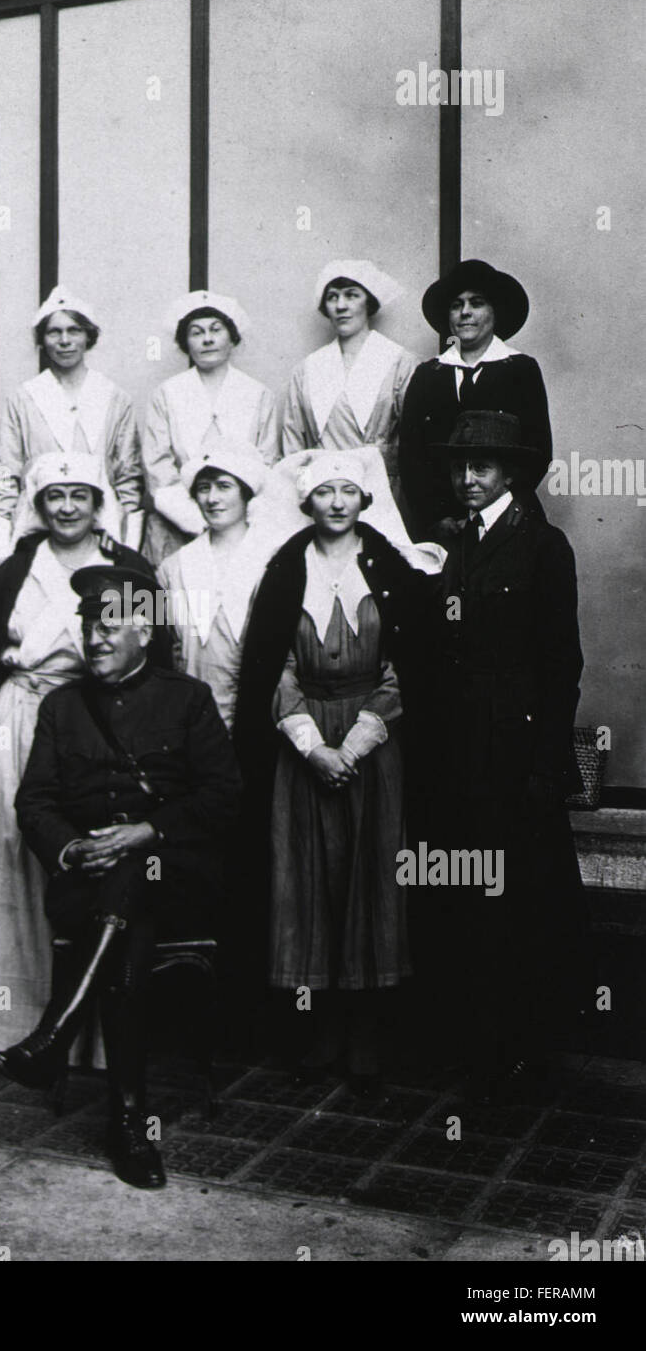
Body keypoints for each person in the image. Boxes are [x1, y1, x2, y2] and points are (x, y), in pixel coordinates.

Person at [0, 565, 241, 1189]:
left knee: (134, 871)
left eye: (110, 625)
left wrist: (146, 832)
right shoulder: (61, 707)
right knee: (125, 914)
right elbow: (35, 805)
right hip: (89, 879)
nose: (95, 638)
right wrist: (73, 849)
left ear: (147, 633)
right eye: (88, 626)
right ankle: (129, 1120)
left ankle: (56, 1033)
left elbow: (224, 796)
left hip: (174, 870)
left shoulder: (187, 700)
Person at [234, 447, 442, 1094]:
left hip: (374, 749)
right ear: (307, 500)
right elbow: (272, 669)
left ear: (363, 497)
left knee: (370, 880)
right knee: (307, 882)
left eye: (346, 490)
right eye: (323, 491)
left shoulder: (388, 565)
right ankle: (316, 1031)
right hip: (302, 754)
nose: (334, 502)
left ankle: (365, 1035)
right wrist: (311, 747)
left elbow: (406, 667)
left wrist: (352, 746)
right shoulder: (284, 567)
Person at [0, 453, 164, 1053]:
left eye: (79, 495)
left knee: (91, 859)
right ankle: (15, 1023)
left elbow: (154, 656)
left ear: (99, 502)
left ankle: (87, 1031)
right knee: (9, 859)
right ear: (38, 504)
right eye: (54, 496)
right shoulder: (16, 567)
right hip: (18, 720)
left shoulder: (126, 568)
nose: (67, 507)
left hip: (94, 724)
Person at [410, 410, 587, 1100]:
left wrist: (545, 767)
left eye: (480, 467)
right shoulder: (449, 544)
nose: (466, 478)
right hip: (455, 753)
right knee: (461, 894)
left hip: (513, 757)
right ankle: (469, 1039)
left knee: (518, 902)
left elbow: (560, 664)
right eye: (458, 467)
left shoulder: (542, 546)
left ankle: (520, 1047)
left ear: (510, 472)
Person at [0, 286, 145, 560]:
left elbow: (128, 478)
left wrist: (127, 548)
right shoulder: (23, 398)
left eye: (74, 331)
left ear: (88, 337)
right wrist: (1, 552)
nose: (64, 340)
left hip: (101, 533)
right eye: (54, 332)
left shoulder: (114, 398)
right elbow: (4, 475)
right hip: (36, 532)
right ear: (43, 340)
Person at [399, 259, 552, 542]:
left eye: (476, 303)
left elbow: (538, 449)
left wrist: (504, 507)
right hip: (440, 526)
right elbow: (411, 457)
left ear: (496, 311)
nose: (465, 312)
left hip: (508, 518)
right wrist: (436, 518)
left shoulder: (521, 369)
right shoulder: (427, 374)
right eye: (457, 305)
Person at [143, 289, 278, 565]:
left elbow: (267, 465)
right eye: (196, 332)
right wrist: (195, 519)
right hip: (178, 523)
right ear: (185, 342)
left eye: (216, 329)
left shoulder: (258, 393)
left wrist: (235, 519)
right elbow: (159, 469)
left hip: (243, 524)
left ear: (232, 337)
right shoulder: (167, 393)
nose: (207, 339)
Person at [156, 442, 275, 730]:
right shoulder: (173, 567)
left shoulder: (274, 559)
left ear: (245, 492)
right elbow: (158, 643)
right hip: (189, 718)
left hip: (260, 714)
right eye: (203, 488)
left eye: (224, 486)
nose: (212, 498)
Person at [282, 260, 416, 512]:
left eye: (352, 295)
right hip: (323, 494)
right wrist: (304, 499)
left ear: (369, 302)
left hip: (382, 492)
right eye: (332, 297)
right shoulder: (307, 369)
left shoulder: (399, 362)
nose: (341, 306)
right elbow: (293, 447)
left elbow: (414, 443)